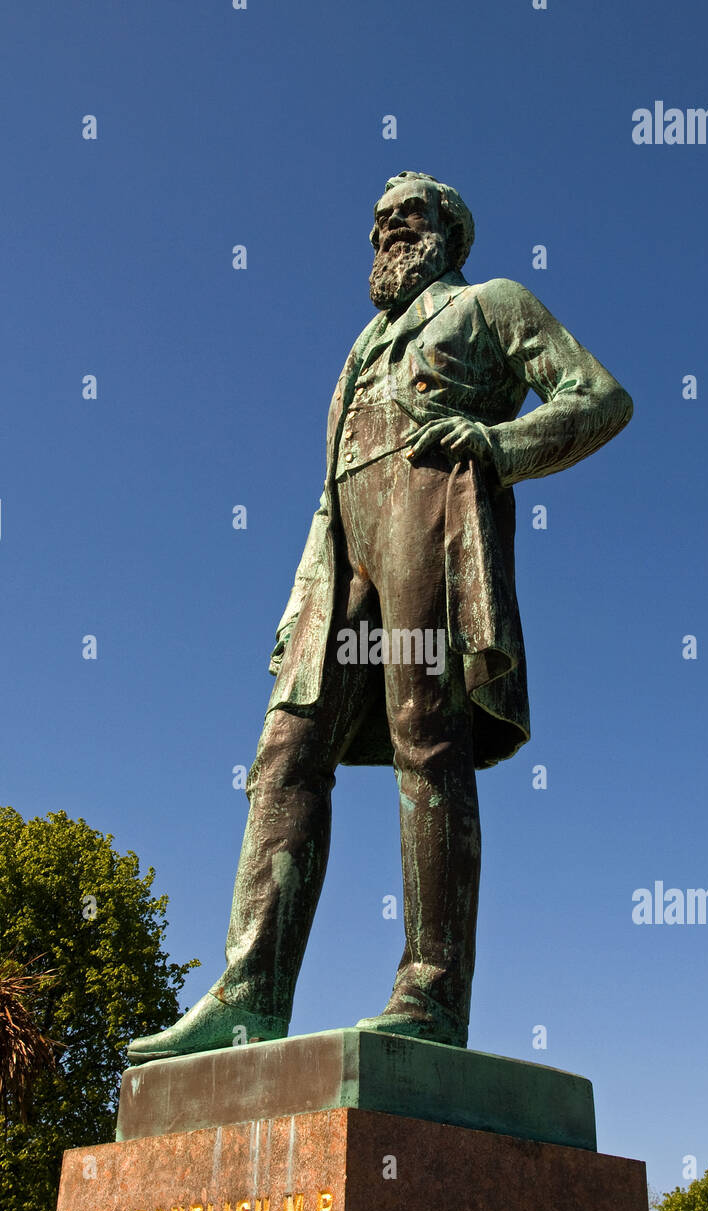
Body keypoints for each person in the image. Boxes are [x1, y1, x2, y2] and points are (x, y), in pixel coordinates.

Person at [127, 171, 633, 1060]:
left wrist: (497, 444)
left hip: (429, 516)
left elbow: (597, 399)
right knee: (286, 748)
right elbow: (325, 496)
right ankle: (249, 993)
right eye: (376, 222)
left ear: (450, 232)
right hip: (344, 556)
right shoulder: (361, 343)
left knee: (423, 735)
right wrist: (298, 604)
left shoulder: (491, 304)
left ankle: (430, 995)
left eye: (406, 216)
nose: (386, 232)